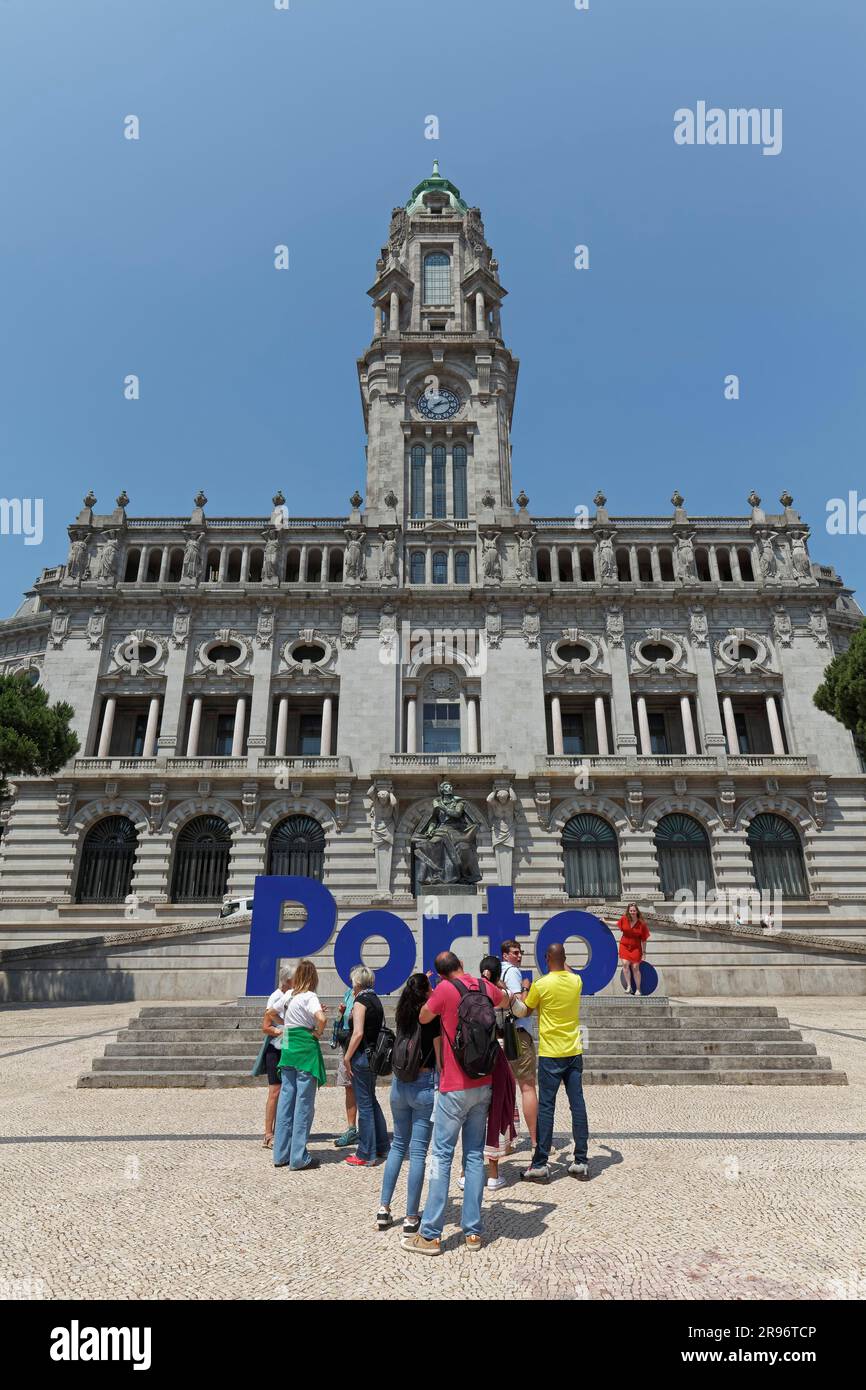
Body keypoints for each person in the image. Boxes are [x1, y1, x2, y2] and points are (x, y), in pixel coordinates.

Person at [402, 951, 509, 1256]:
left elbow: (423, 1016)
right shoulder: (482, 985)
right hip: (483, 1083)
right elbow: (504, 1001)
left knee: (442, 1156)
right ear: (461, 964)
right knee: (474, 1156)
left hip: (453, 1086)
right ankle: (473, 1233)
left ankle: (431, 1234)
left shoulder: (445, 991)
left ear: (439, 973)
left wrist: (435, 991)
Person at [376, 974, 441, 1233]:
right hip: (423, 1084)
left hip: (399, 1085)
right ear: (425, 993)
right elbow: (441, 1056)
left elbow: (412, 995)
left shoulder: (402, 1014)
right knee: (417, 1153)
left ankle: (383, 1208)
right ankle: (412, 1217)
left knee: (397, 1146)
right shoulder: (430, 1018)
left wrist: (418, 983)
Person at [521, 943, 589, 1183]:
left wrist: (525, 988)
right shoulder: (575, 982)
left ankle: (540, 1164)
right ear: (565, 958)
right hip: (573, 1050)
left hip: (551, 1053)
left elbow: (525, 1011)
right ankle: (581, 1160)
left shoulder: (541, 985)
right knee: (577, 1104)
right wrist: (559, 962)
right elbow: (568, 971)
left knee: (547, 1107)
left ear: (547, 958)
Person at [273, 959, 327, 1171]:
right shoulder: (309, 996)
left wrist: (285, 1025)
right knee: (304, 1105)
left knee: (286, 1103)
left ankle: (281, 1154)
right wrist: (317, 1032)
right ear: (313, 977)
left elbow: (269, 1014)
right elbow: (321, 1018)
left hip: (288, 1049)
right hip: (305, 1050)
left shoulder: (289, 995)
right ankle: (298, 1157)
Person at [342, 965, 389, 1167]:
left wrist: (347, 1057)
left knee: (365, 1105)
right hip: (373, 1057)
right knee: (372, 1101)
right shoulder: (375, 1000)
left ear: (358, 983)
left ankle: (365, 1152)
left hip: (362, 1056)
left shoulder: (361, 1000)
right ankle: (382, 1145)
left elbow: (358, 1033)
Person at [500, 939, 538, 1150]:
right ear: (505, 955)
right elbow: (518, 1007)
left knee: (505, 1089)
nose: (519, 956)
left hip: (501, 1035)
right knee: (527, 1087)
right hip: (518, 1035)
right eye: (515, 952)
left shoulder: (498, 973)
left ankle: (505, 1143)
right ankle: (535, 1140)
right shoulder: (512, 972)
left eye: (520, 952)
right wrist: (526, 988)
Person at [261, 966, 293, 1149]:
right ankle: (268, 1133)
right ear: (287, 980)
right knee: (275, 1091)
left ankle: (283, 1130)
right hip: (276, 1048)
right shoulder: (275, 997)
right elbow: (266, 1025)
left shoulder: (293, 995)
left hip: (288, 1047)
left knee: (287, 1090)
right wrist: (282, 1029)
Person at [332, 980, 359, 1149]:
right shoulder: (349, 993)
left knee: (362, 1087)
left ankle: (369, 1130)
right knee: (348, 1086)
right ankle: (351, 1129)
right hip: (345, 1041)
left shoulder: (365, 996)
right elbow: (340, 1019)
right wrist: (341, 1013)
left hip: (358, 1044)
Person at [616, 902, 651, 995]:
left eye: (634, 910)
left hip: (636, 947)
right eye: (631, 910)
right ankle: (629, 986)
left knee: (635, 967)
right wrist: (605, 921)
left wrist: (644, 952)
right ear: (628, 911)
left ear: (637, 911)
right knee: (625, 964)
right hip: (624, 945)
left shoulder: (641, 924)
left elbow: (644, 940)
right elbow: (617, 924)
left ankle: (638, 989)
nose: (632, 912)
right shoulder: (624, 919)